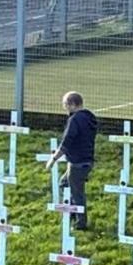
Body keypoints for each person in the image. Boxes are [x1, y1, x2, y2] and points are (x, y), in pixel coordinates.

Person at [44, 91, 98, 231]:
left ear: (73, 104)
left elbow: (67, 142)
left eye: (66, 105)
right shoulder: (89, 118)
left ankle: (81, 223)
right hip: (87, 160)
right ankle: (72, 213)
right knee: (64, 183)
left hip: (77, 163)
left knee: (77, 192)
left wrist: (53, 159)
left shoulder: (74, 120)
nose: (65, 108)